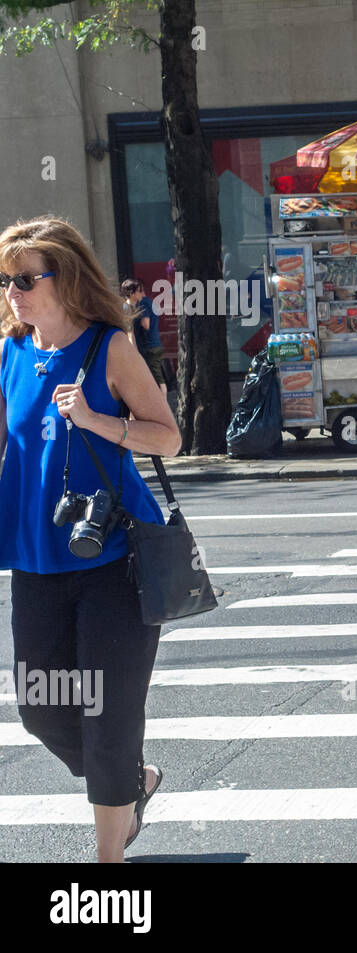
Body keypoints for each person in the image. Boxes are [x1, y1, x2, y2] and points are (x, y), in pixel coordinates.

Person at [0, 216, 181, 862]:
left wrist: (97, 419)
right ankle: (132, 782)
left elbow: (168, 436)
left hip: (115, 560)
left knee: (108, 717)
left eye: (26, 278)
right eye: (6, 279)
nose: (13, 291)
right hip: (34, 559)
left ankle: (108, 864)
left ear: (65, 277)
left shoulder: (110, 348)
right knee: (41, 710)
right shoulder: (10, 353)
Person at [120, 279, 166, 401]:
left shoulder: (141, 305)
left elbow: (144, 326)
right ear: (131, 293)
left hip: (145, 348)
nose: (142, 293)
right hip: (139, 348)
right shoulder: (128, 308)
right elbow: (130, 333)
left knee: (153, 377)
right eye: (139, 291)